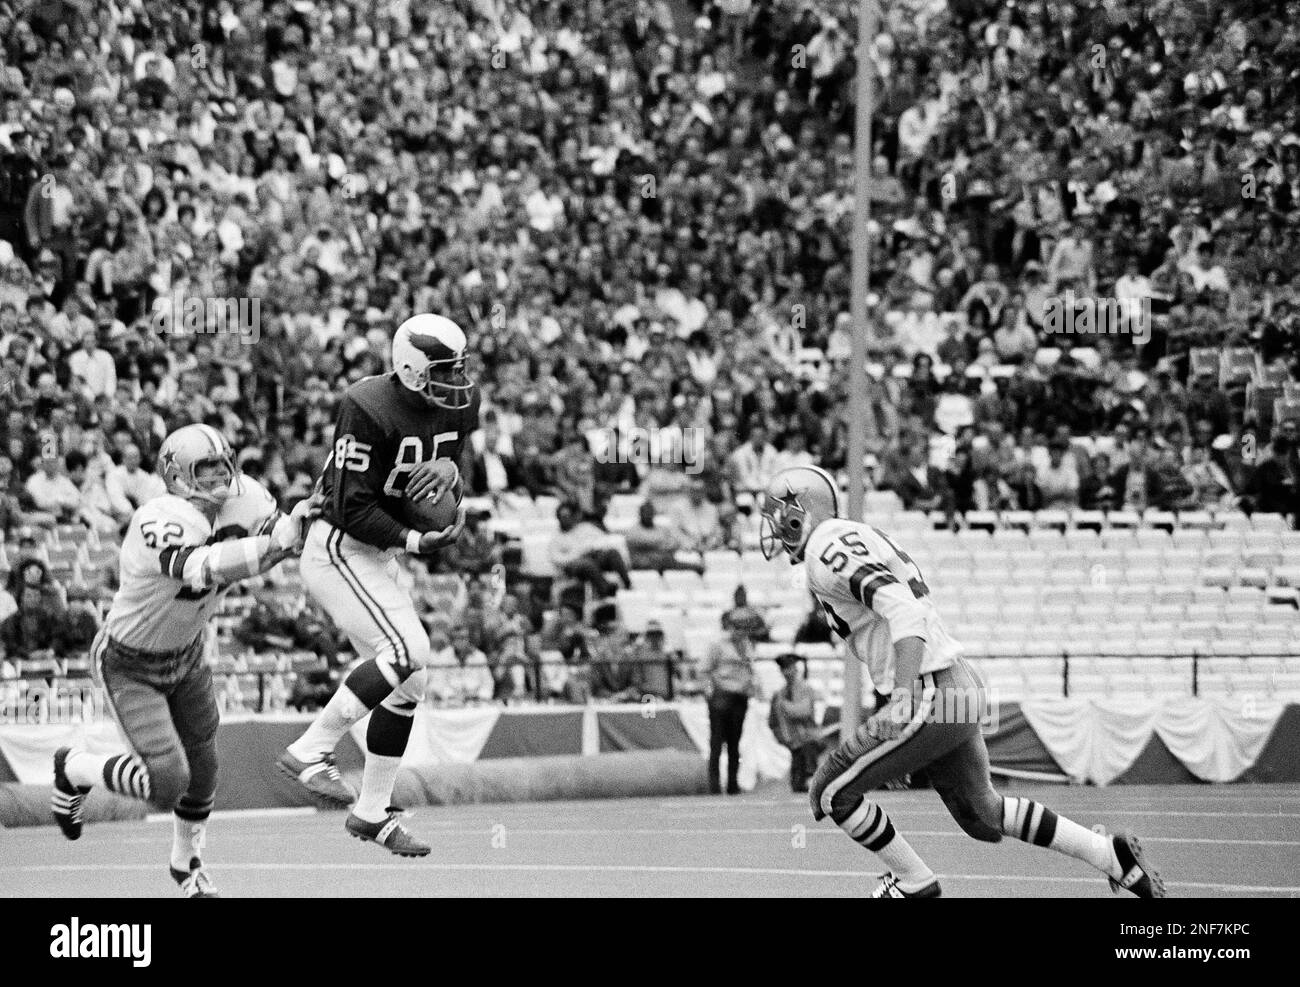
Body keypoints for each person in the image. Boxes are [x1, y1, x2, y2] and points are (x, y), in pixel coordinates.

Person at [759, 464, 1165, 898]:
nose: (776, 532)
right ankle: (1111, 857)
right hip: (957, 686)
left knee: (828, 793)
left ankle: (915, 883)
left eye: (778, 518)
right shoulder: (853, 534)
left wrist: (899, 702)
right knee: (983, 817)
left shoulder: (824, 551)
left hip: (930, 691)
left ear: (798, 514)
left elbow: (905, 612)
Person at [50, 424, 315, 898]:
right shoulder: (158, 517)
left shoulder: (247, 496)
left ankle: (186, 863)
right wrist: (277, 542)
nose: (218, 476)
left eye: (222, 463)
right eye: (205, 467)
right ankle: (76, 769)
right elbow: (199, 565)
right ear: (175, 474)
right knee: (167, 781)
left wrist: (307, 523)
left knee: (205, 767)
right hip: (130, 662)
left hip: (188, 652)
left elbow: (281, 536)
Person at [279, 314, 478, 857]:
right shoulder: (366, 405)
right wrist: (414, 540)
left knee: (409, 686)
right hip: (339, 545)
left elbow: (456, 457)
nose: (456, 379)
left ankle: (371, 812)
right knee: (409, 649)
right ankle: (312, 748)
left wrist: (453, 476)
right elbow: (350, 505)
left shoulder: (461, 400)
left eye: (458, 367)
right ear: (411, 369)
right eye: (444, 369)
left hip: (378, 551)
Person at [701, 614, 755, 795]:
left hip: (740, 698)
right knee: (716, 743)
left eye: (743, 627)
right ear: (730, 627)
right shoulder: (717, 645)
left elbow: (749, 669)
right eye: (737, 627)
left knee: (734, 743)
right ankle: (714, 785)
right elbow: (705, 669)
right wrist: (710, 693)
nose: (740, 631)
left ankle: (733, 784)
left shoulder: (746, 645)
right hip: (721, 697)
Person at [768, 653, 822, 793]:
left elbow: (804, 711)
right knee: (797, 784)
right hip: (793, 742)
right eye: (784, 669)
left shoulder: (805, 689)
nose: (787, 672)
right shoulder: (779, 694)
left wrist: (784, 706)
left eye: (789, 668)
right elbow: (773, 721)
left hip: (807, 740)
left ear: (796, 669)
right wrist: (783, 738)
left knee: (809, 779)